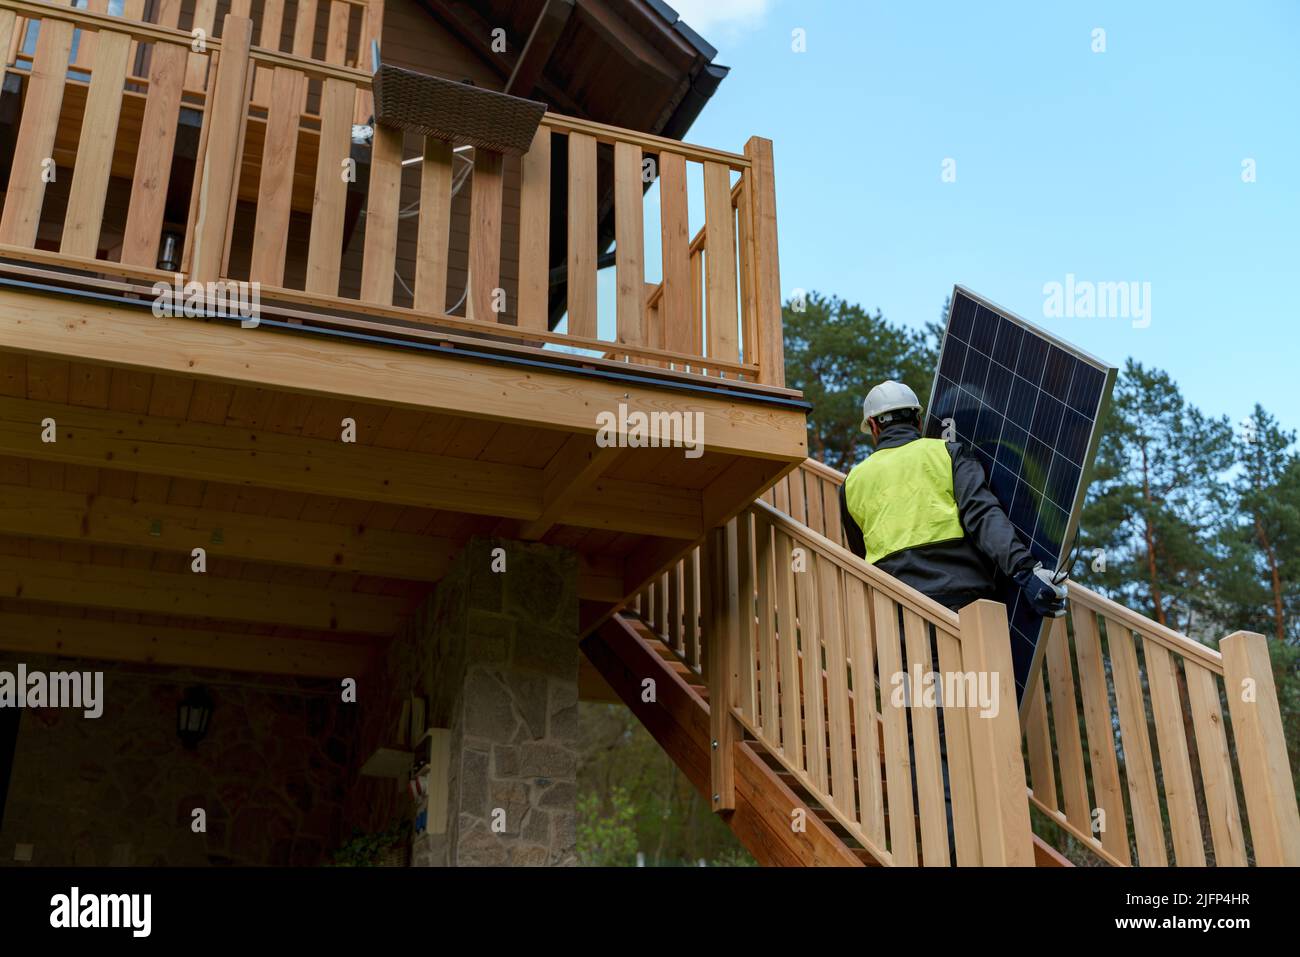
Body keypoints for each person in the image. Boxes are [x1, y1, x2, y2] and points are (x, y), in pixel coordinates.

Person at [839, 379, 1067, 620]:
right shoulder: (948, 452)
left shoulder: (852, 482)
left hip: (896, 613)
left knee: (911, 660)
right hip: (962, 605)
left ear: (873, 426)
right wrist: (1026, 570)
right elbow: (983, 515)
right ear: (918, 419)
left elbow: (861, 555)